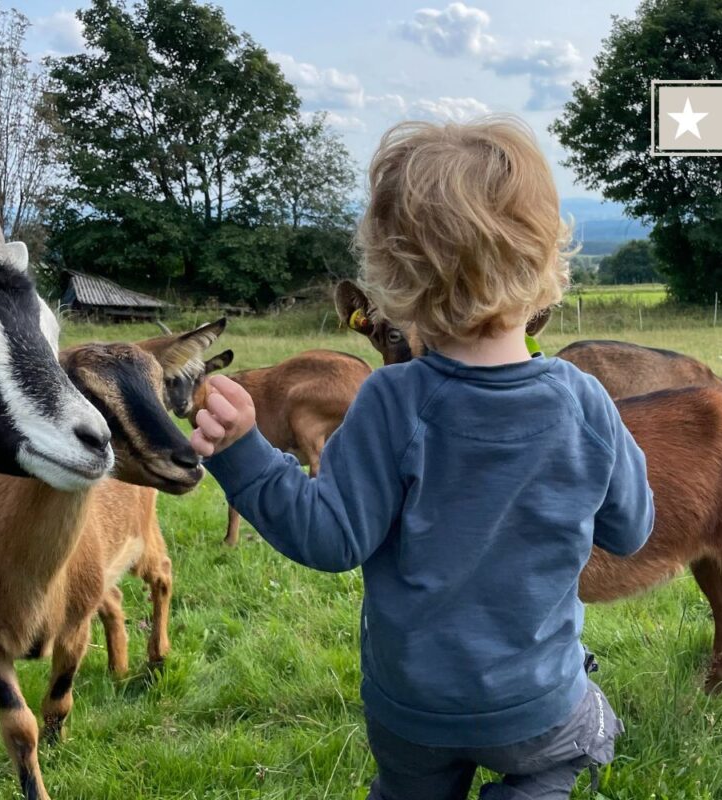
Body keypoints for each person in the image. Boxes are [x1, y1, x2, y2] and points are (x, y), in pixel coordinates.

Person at [190, 116, 654, 800]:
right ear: (546, 262)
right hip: (537, 701)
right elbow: (632, 529)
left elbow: (330, 538)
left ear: (395, 278)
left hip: (411, 710)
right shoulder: (581, 400)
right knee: (590, 732)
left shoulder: (392, 399)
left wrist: (243, 455)